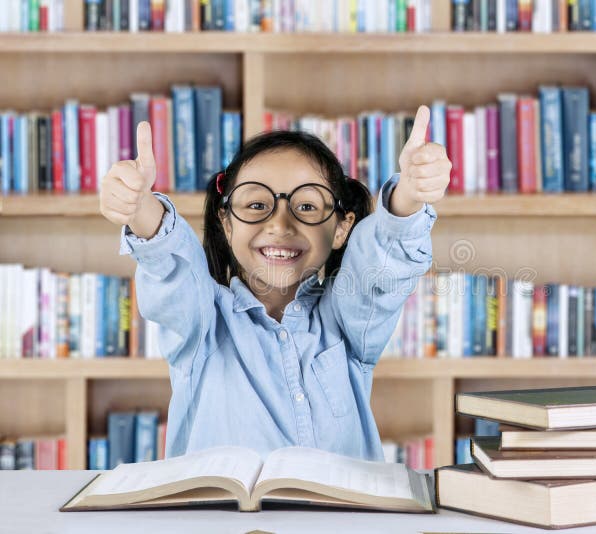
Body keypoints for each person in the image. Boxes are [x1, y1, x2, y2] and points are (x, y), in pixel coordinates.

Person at [99, 105, 451, 461]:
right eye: (256, 204)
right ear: (226, 222)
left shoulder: (348, 320)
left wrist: (408, 197)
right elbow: (174, 273)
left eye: (308, 207)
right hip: (221, 518)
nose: (280, 225)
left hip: (341, 518)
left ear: (342, 227)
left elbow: (378, 270)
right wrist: (140, 208)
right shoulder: (203, 323)